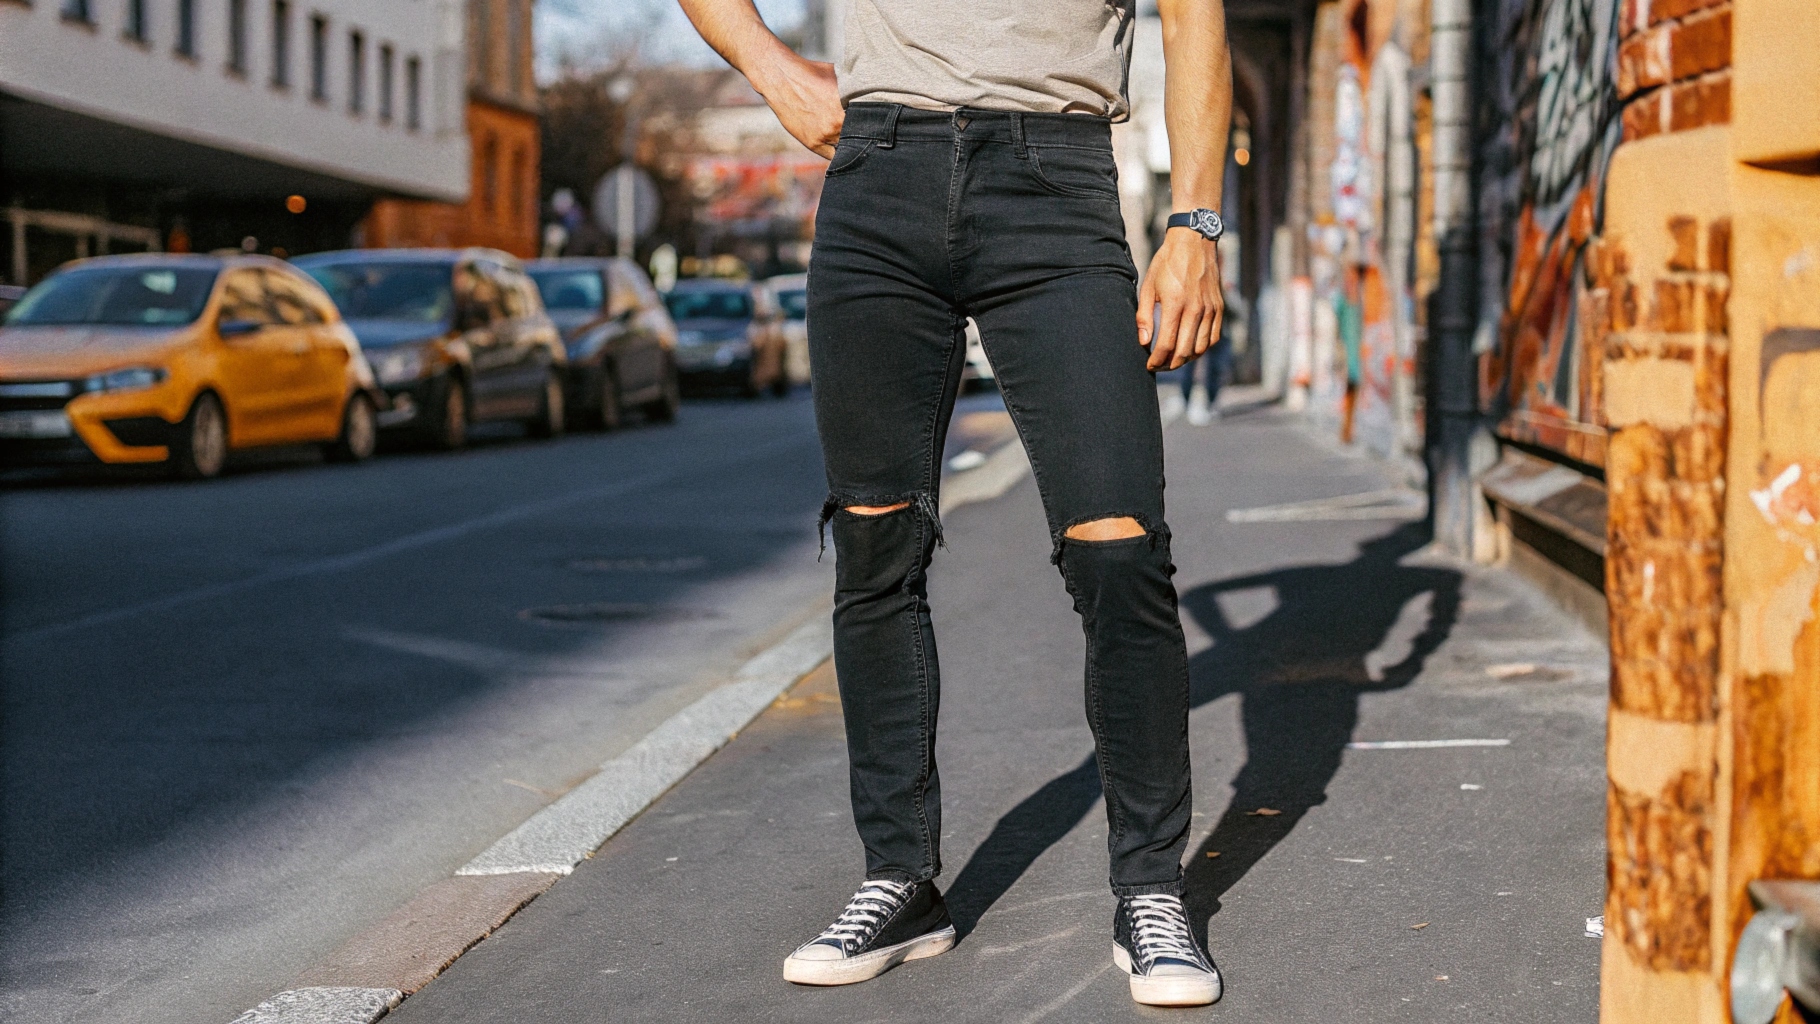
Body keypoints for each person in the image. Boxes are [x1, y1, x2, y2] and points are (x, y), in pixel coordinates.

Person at [675, 0, 1232, 1007]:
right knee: (874, 545)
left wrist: (1194, 221)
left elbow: (1196, 18)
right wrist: (770, 70)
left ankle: (1150, 889)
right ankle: (899, 880)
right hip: (877, 180)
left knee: (1119, 548)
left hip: (1055, 186)